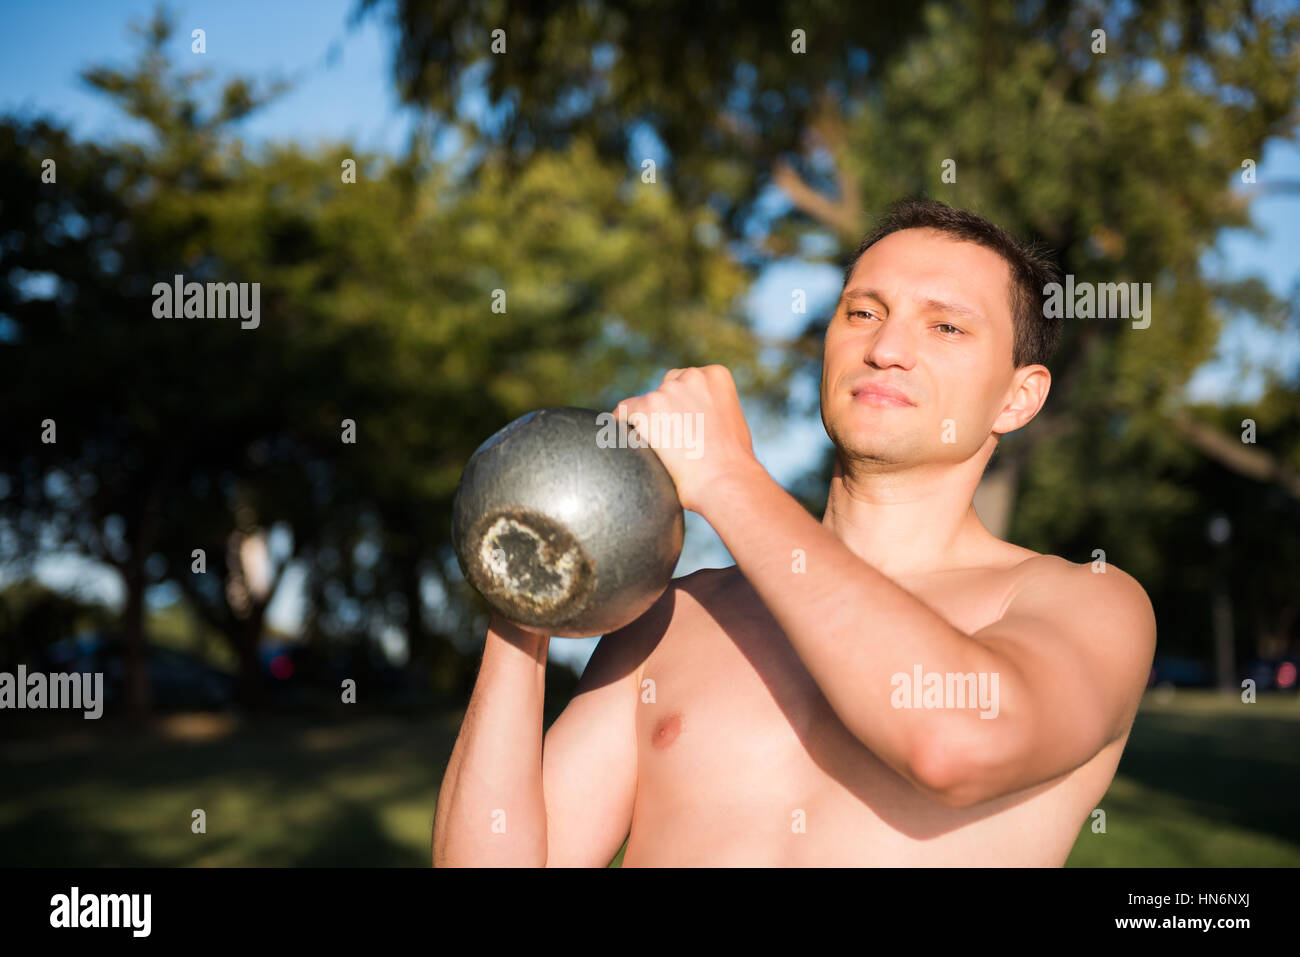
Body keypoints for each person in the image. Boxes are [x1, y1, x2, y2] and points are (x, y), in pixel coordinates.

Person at [432, 198, 1157, 866]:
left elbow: (952, 742)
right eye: (863, 313)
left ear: (1018, 397)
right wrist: (527, 581)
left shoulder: (1086, 602)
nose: (886, 348)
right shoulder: (674, 614)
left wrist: (727, 478)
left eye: (946, 326)